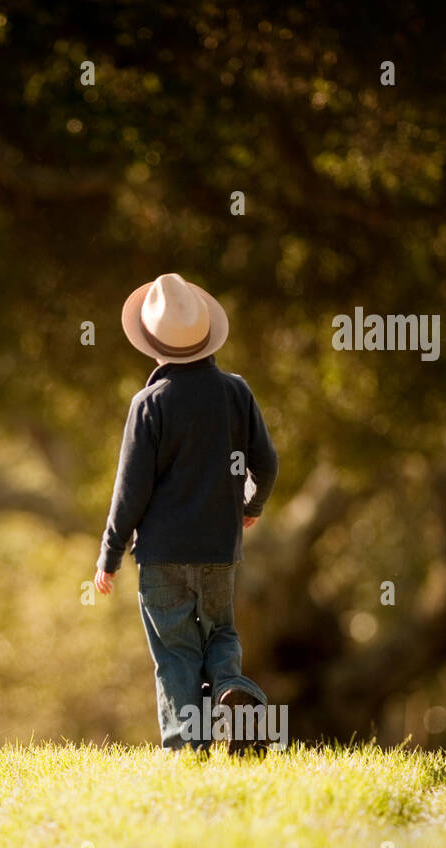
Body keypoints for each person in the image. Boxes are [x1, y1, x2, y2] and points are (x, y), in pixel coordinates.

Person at [93, 273, 278, 753]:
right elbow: (267, 462)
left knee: (175, 650)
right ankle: (232, 692)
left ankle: (184, 746)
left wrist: (109, 555)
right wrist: (250, 505)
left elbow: (130, 491)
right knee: (219, 633)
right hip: (219, 548)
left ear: (153, 346)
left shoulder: (148, 403)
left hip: (162, 557)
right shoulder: (236, 392)